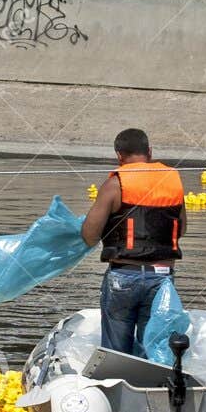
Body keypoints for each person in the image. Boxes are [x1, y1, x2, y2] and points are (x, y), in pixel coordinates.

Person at [80, 129, 186, 358]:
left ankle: (117, 383)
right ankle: (153, 386)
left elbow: (90, 235)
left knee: (117, 352)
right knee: (155, 348)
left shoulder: (115, 184)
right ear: (149, 151)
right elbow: (182, 229)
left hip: (124, 277)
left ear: (119, 155)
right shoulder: (172, 180)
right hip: (162, 277)